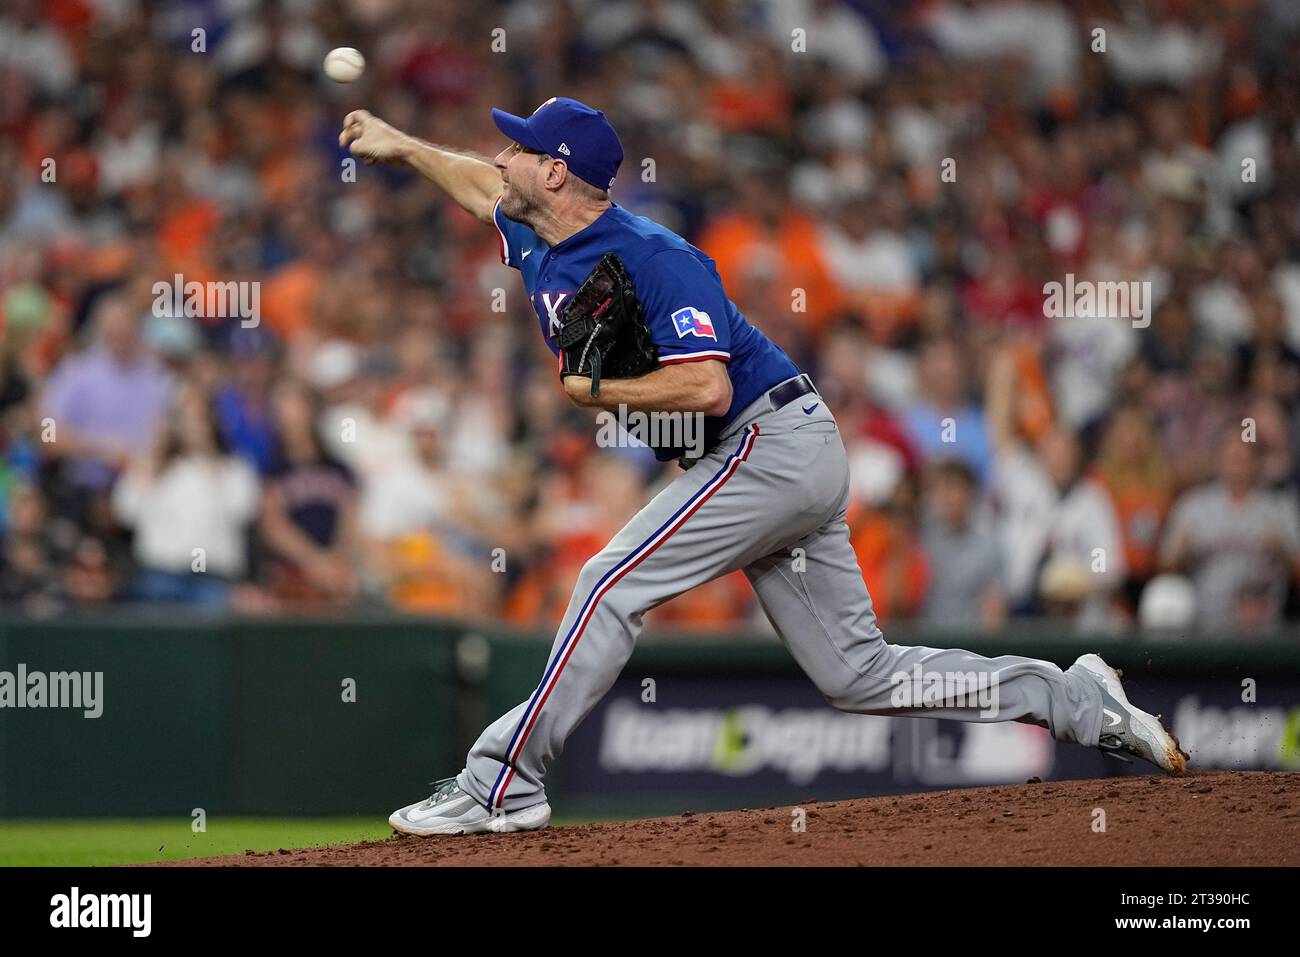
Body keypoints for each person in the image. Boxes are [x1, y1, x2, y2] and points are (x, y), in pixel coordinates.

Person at [339, 96, 1187, 837]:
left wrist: (599, 389)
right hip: (773, 455)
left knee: (607, 581)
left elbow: (707, 386)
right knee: (860, 675)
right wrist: (403, 145)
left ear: (558, 174)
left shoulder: (655, 256)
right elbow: (476, 184)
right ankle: (1074, 699)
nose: (501, 156)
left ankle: (501, 782)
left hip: (765, 439)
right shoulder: (530, 227)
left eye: (521, 148)